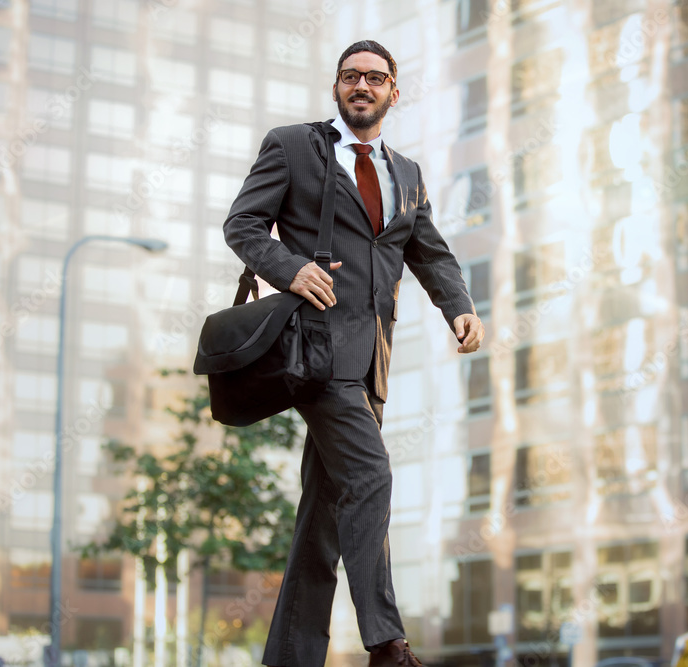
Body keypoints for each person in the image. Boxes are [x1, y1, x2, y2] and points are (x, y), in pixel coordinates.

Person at [223, 40, 485, 667]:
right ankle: (386, 644)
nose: (361, 86)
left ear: (395, 91)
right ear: (336, 87)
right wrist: (288, 269)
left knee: (322, 517)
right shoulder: (291, 146)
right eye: (350, 76)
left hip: (372, 366)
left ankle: (289, 658)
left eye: (374, 78)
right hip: (313, 356)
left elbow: (430, 251)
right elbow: (243, 225)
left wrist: (460, 305)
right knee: (372, 476)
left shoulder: (407, 173)